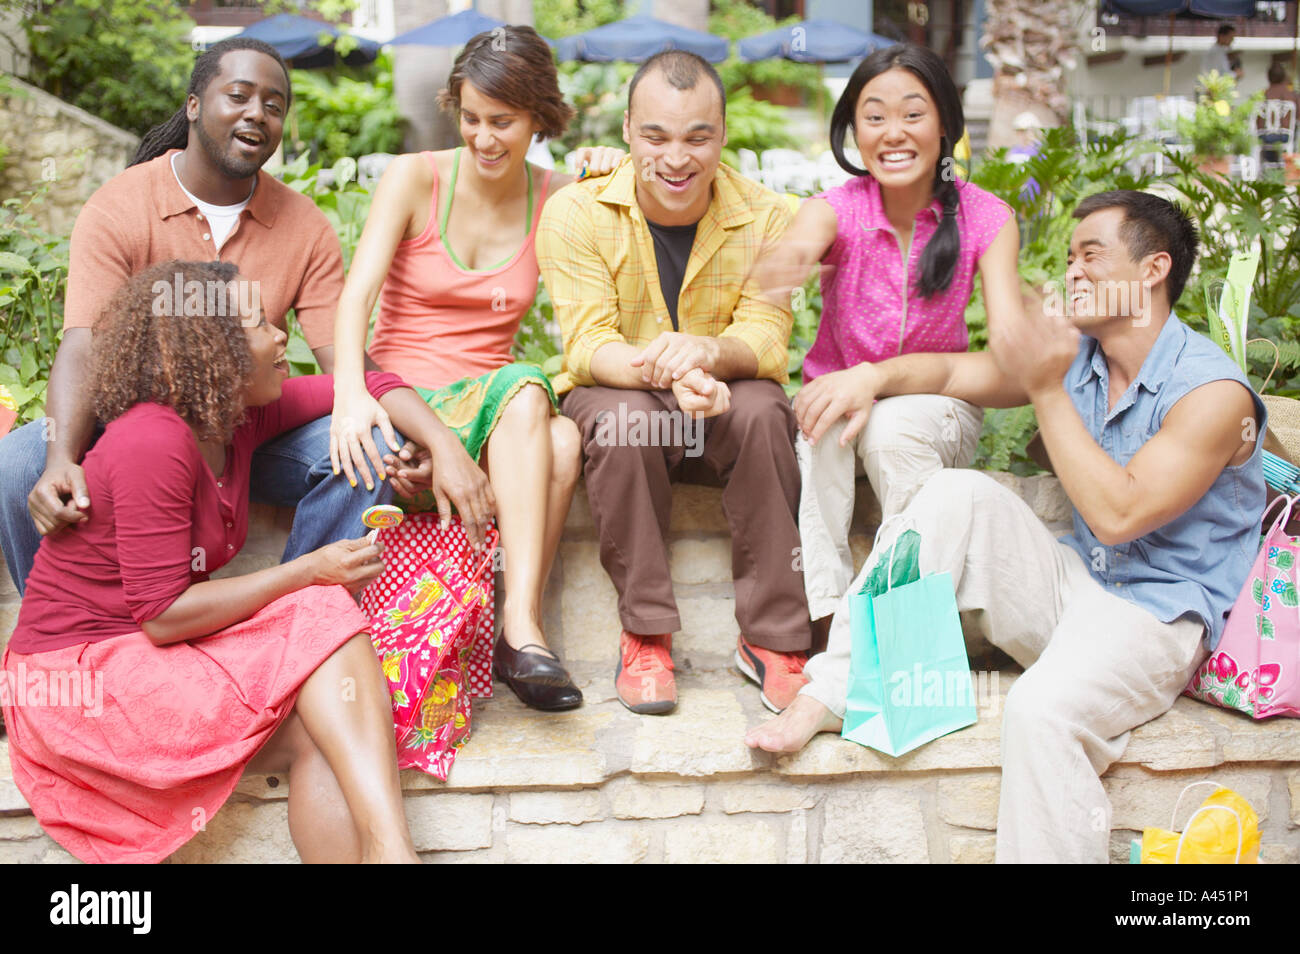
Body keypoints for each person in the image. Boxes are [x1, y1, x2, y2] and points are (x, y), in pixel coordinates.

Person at [747, 190, 1266, 864]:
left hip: (1159, 618)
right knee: (953, 494)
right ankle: (834, 689)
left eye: (1092, 255)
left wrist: (1046, 388)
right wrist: (869, 376)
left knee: (1039, 712)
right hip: (1075, 582)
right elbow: (951, 370)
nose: (1072, 271)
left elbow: (1120, 515)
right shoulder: (1082, 357)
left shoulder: (1213, 395)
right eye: (1070, 256)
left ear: (1152, 270)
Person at [1, 260, 496, 863]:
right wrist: (308, 570)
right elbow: (161, 615)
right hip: (85, 683)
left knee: (327, 730)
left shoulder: (234, 418)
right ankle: (397, 856)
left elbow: (369, 386)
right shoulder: (152, 439)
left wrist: (443, 444)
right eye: (260, 324)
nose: (281, 334)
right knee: (317, 606)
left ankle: (390, 855)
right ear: (214, 351)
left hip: (145, 656)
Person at [0, 38, 464, 597]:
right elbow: (82, 345)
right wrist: (60, 459)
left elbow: (346, 366)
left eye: (273, 105)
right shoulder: (120, 205)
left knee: (372, 448)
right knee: (22, 461)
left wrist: (432, 442)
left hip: (242, 438)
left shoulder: (304, 225)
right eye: (238, 96)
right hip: (131, 436)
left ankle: (301, 627)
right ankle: (65, 642)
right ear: (194, 104)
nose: (257, 114)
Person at [330, 26, 623, 712]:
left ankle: (517, 625)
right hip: (410, 402)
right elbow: (355, 296)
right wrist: (351, 396)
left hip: (493, 415)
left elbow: (615, 285)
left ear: (541, 118)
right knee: (529, 397)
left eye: (504, 122)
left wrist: (622, 173)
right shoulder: (416, 177)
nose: (484, 139)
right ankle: (522, 631)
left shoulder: (557, 197)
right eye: (470, 119)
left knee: (563, 437)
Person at [537, 50, 812, 717]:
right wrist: (676, 370)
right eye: (656, 136)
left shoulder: (771, 216)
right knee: (626, 422)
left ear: (722, 136)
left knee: (764, 414)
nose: (677, 157)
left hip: (725, 388)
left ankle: (775, 640)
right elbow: (591, 344)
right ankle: (647, 634)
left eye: (698, 137)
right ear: (627, 131)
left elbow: (767, 338)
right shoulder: (576, 211)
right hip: (621, 384)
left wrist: (708, 357)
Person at [755, 44, 1017, 636]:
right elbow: (796, 246)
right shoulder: (836, 211)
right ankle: (825, 618)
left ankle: (908, 616)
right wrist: (784, 265)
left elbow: (1010, 364)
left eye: (912, 114)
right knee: (824, 423)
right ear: (853, 129)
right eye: (874, 117)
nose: (892, 133)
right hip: (838, 402)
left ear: (946, 123)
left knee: (891, 429)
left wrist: (881, 380)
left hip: (934, 406)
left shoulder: (988, 218)